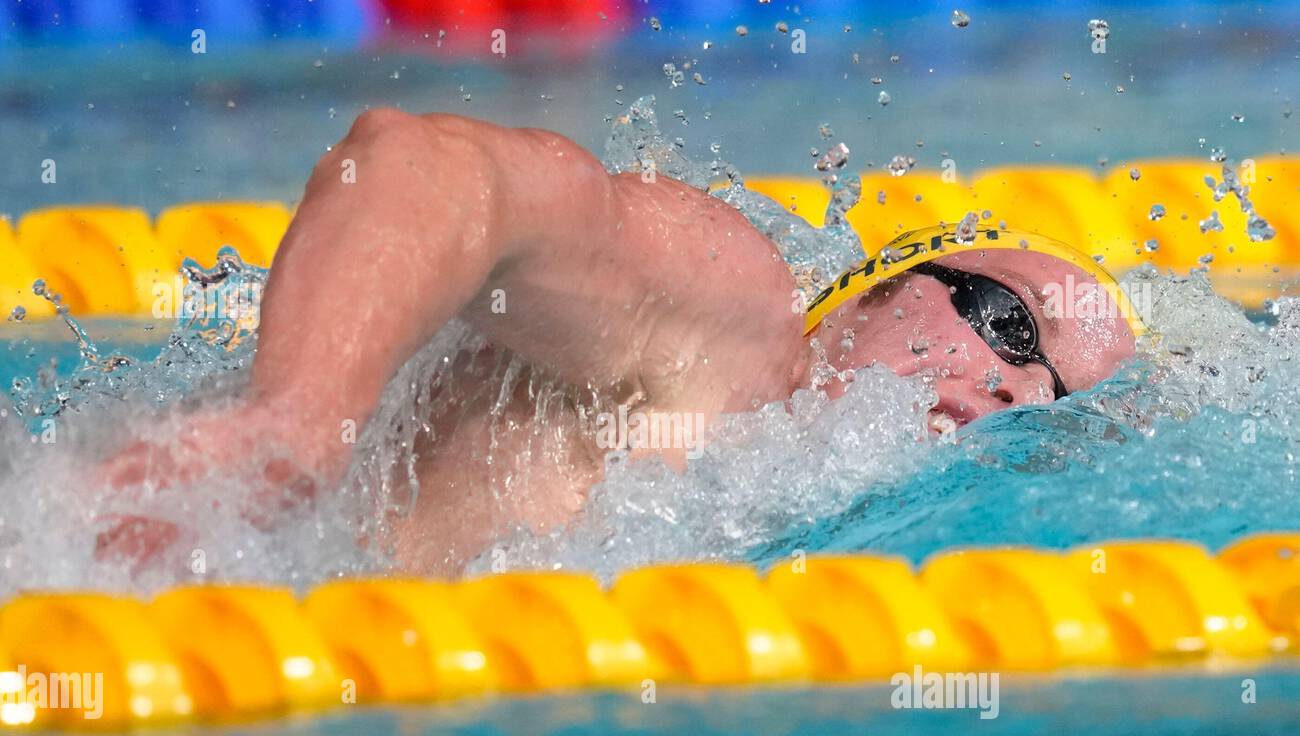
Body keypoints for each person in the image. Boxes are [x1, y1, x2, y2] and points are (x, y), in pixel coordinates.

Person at [97, 109, 1139, 575]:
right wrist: (297, 418)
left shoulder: (811, 528)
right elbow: (426, 165)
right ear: (876, 292)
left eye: (1052, 397)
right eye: (1009, 325)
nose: (1011, 390)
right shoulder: (730, 324)